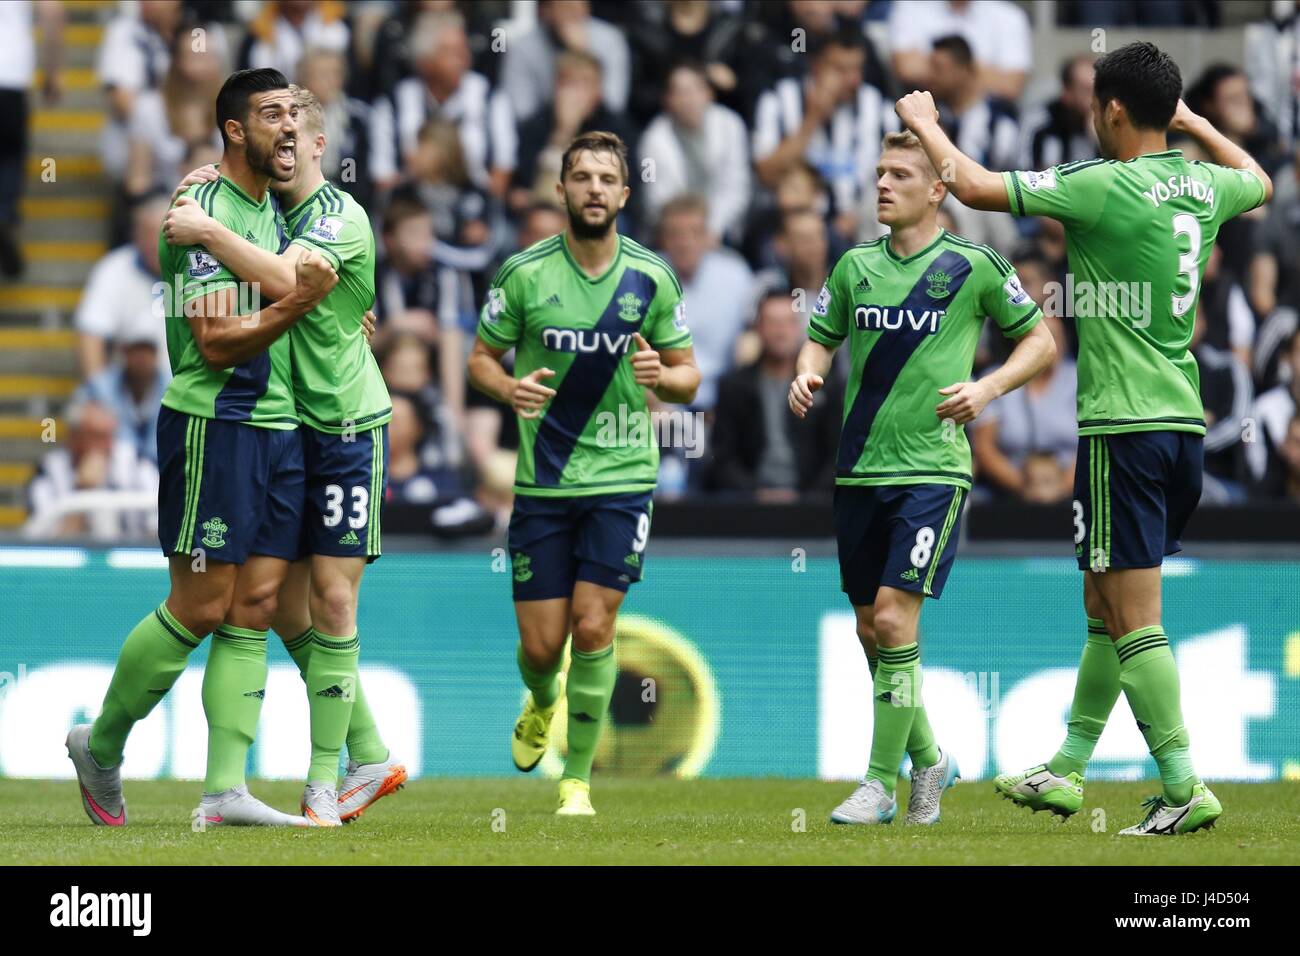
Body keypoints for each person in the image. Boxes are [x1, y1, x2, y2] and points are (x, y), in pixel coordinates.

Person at [897, 39, 1273, 834]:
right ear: (1166, 111)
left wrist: (925, 122)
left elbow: (966, 183)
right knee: (1104, 605)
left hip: (1122, 427)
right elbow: (1263, 180)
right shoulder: (1204, 183)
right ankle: (1067, 769)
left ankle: (1183, 785)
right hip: (1181, 426)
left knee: (1135, 616)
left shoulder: (1100, 184)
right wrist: (1198, 123)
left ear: (1109, 110)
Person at [66, 68, 339, 828]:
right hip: (214, 427)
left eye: (294, 112)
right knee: (202, 603)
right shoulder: (198, 212)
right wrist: (298, 301)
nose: (287, 126)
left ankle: (225, 793)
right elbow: (217, 344)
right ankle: (103, 742)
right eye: (269, 114)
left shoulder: (276, 209)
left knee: (254, 604)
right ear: (233, 131)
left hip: (280, 430)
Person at [788, 130, 1055, 826]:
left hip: (933, 470)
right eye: (879, 172)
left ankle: (878, 784)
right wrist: (807, 371)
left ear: (937, 188)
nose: (881, 184)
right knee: (871, 633)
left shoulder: (973, 265)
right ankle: (932, 757)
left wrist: (988, 390)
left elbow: (1041, 340)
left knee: (891, 616)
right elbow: (823, 335)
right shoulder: (853, 268)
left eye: (899, 174)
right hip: (859, 472)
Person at [161, 85, 403, 827]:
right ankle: (367, 753)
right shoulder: (264, 209)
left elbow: (293, 282)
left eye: (301, 131)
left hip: (347, 428)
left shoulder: (335, 214)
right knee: (275, 607)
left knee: (331, 602)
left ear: (322, 149)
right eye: (279, 127)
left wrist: (201, 228)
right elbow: (285, 282)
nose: (290, 139)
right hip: (285, 430)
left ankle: (326, 782)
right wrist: (207, 199)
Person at [468, 131, 699, 816]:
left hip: (623, 477)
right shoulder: (524, 274)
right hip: (543, 482)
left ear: (624, 195)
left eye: (606, 179)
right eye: (581, 177)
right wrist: (507, 388)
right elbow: (479, 359)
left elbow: (689, 376)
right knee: (542, 647)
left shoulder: (651, 277)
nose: (594, 188)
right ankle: (541, 701)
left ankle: (577, 781)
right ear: (562, 190)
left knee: (594, 627)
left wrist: (668, 376)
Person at [708, 290, 841, 499]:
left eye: (788, 322)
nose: (781, 331)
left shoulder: (825, 384)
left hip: (813, 506)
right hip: (748, 505)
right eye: (772, 322)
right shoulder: (733, 386)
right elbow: (723, 459)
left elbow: (836, 458)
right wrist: (756, 495)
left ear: (799, 328)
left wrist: (806, 499)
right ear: (758, 328)